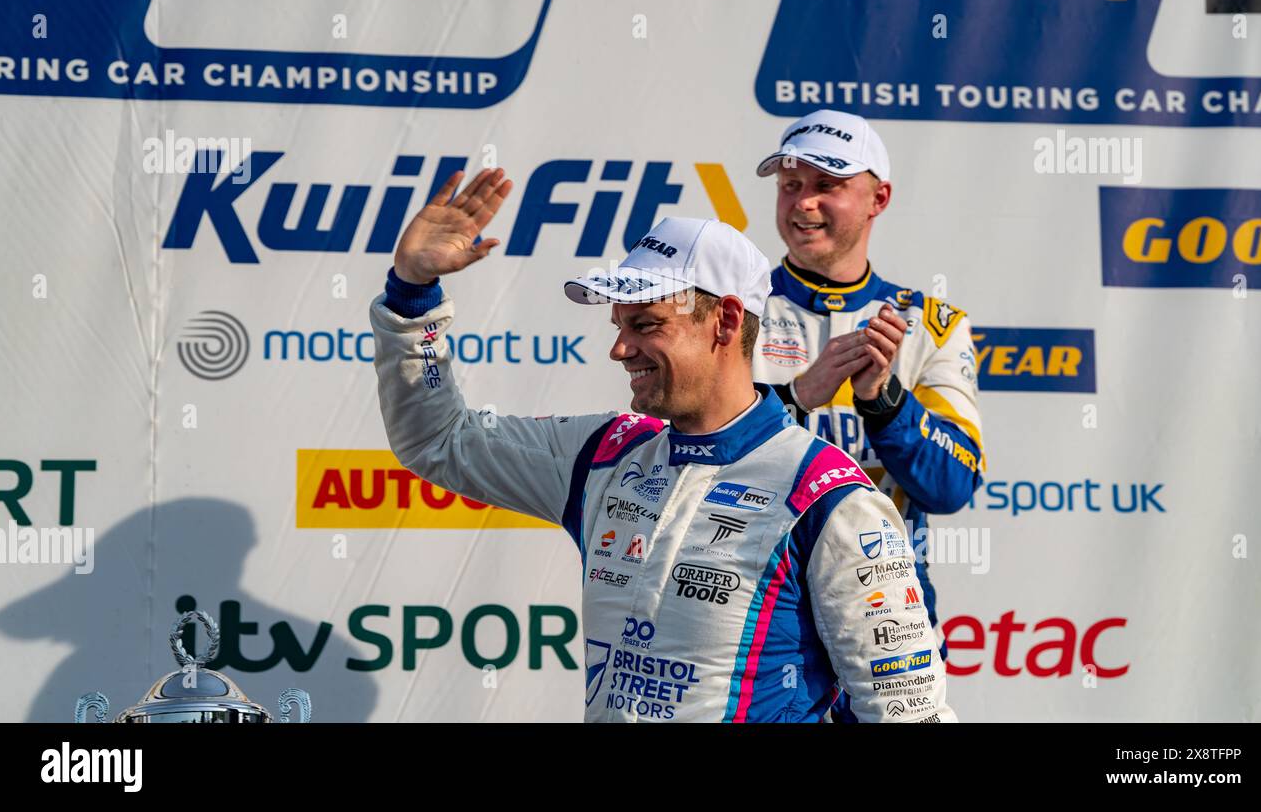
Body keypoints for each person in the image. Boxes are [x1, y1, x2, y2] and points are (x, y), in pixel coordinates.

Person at [371, 167, 956, 722]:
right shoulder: (603, 453)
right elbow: (440, 439)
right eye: (619, 326)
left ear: (726, 322)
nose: (620, 350)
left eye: (646, 326)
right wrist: (412, 293)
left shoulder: (829, 497)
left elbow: (906, 711)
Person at [752, 110, 986, 657]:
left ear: (879, 199)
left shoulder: (933, 324)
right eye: (791, 185)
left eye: (827, 185)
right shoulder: (736, 308)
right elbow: (689, 460)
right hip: (755, 611)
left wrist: (884, 402)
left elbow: (951, 485)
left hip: (889, 617)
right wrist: (794, 400)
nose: (803, 203)